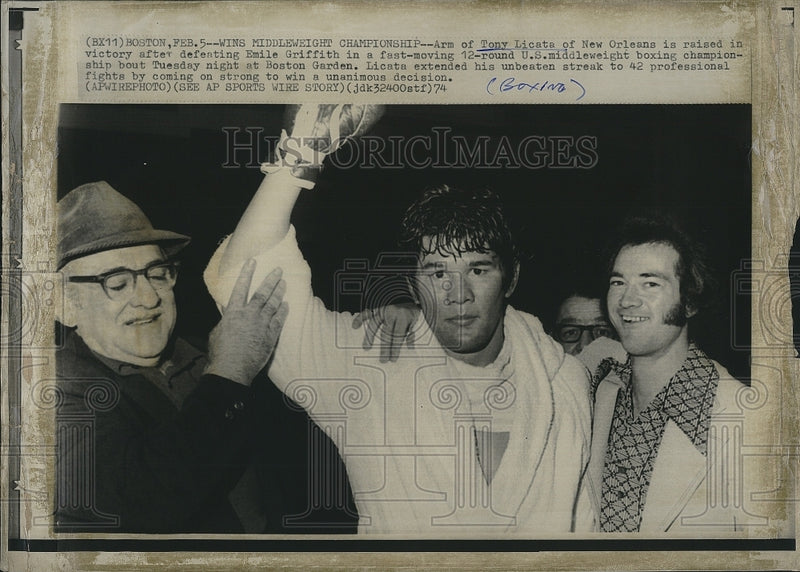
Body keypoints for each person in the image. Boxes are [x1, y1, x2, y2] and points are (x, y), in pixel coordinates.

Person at [203, 104, 595, 535]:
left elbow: (586, 526)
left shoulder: (565, 379)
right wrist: (301, 153)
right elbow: (245, 273)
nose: (458, 294)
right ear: (412, 282)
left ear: (512, 277)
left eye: (478, 270)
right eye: (437, 272)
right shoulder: (370, 360)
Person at [55, 181, 356, 533]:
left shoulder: (208, 352)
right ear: (65, 305)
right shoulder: (58, 394)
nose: (148, 297)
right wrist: (230, 371)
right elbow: (143, 502)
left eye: (156, 273)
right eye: (117, 283)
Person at [580, 214, 751, 533]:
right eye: (618, 282)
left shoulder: (743, 416)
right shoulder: (602, 394)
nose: (627, 301)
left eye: (650, 283)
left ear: (690, 302)